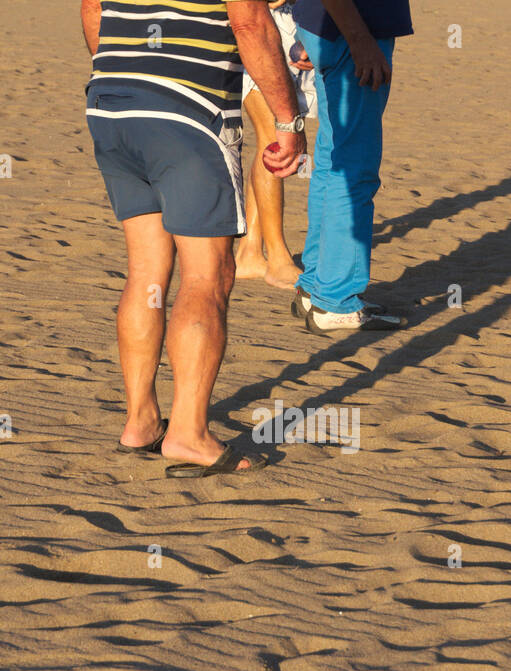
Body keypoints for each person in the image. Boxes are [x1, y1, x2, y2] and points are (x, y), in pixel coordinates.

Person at [82, 1, 308, 477]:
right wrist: (288, 121)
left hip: (110, 104)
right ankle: (187, 433)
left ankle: (140, 421)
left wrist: (120, 78)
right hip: (189, 112)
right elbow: (249, 20)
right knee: (207, 276)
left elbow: (92, 7)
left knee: (146, 271)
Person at [289, 0, 411, 334]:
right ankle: (335, 300)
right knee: (353, 168)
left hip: (334, 25)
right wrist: (359, 40)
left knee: (333, 160)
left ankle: (317, 284)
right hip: (353, 28)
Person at [235, 0, 318, 289]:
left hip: (289, 27)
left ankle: (250, 251)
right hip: (255, 30)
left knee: (270, 138)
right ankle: (278, 258)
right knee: (274, 139)